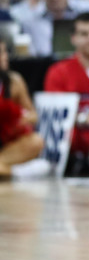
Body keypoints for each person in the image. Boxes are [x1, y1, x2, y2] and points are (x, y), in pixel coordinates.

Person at [42, 12, 89, 173]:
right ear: (73, 38)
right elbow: (55, 114)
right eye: (84, 34)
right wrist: (84, 118)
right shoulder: (58, 71)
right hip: (74, 140)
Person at [0, 36, 46, 179]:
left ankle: (4, 168)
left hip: (5, 144)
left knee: (36, 141)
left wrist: (22, 119)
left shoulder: (14, 81)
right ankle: (17, 173)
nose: (5, 57)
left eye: (5, 52)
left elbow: (33, 115)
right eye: (0, 53)